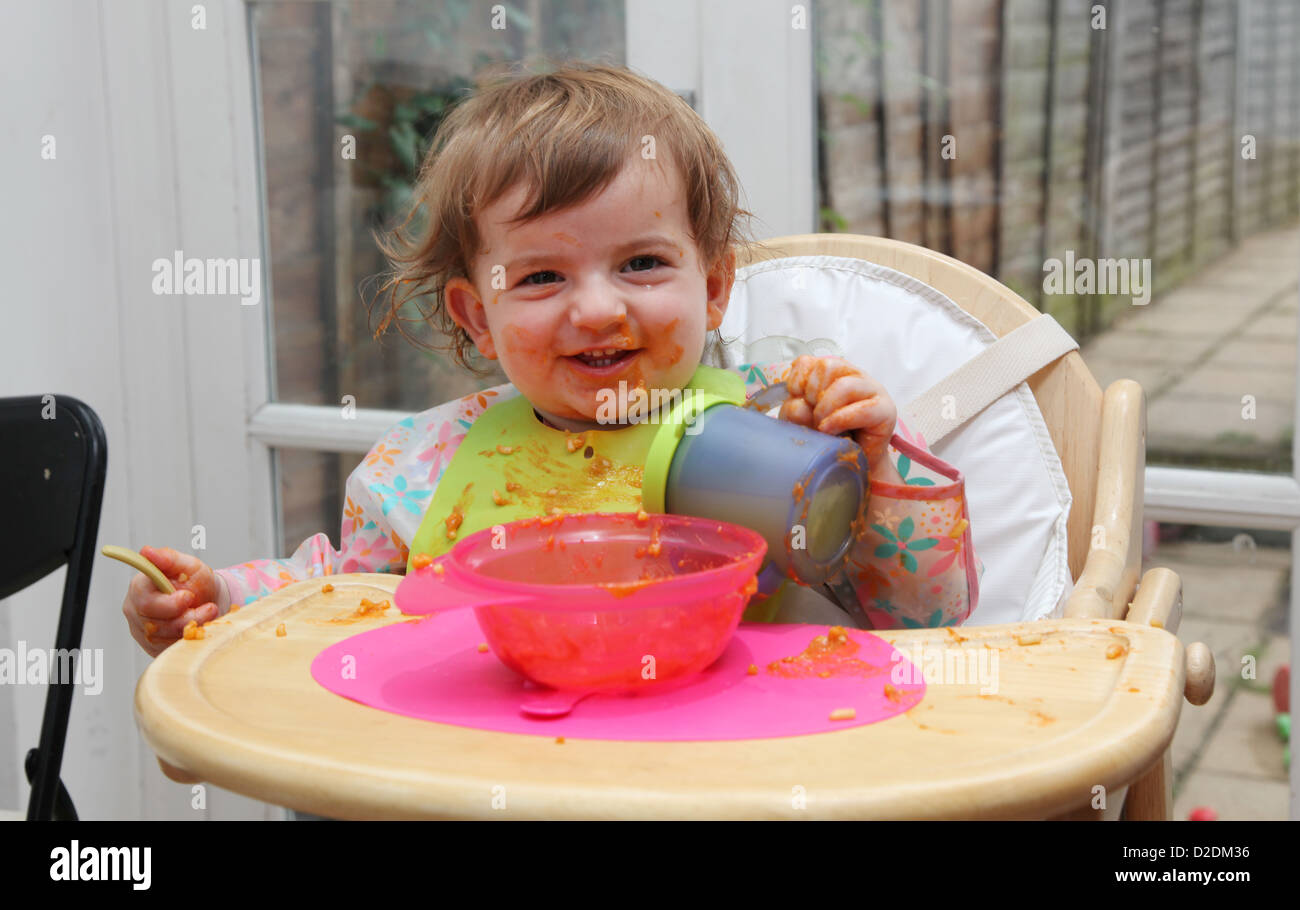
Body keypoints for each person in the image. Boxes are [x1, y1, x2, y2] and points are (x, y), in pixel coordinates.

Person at [122, 61, 982, 659]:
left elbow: (920, 619)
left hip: (710, 776)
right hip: (477, 777)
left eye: (642, 264)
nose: (599, 308)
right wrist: (222, 598)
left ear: (713, 287)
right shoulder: (427, 462)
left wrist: (869, 475)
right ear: (478, 317)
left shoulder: (770, 432)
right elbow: (336, 596)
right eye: (540, 275)